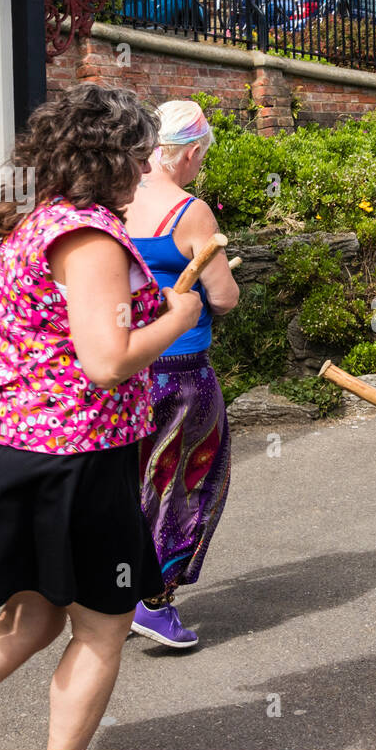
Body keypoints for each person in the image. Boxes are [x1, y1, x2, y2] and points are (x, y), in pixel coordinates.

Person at [0, 85, 203, 750]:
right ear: (110, 159)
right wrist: (177, 317)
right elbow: (107, 361)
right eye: (140, 156)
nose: (148, 169)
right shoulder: (89, 237)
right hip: (74, 459)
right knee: (103, 629)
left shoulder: (41, 219)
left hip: (9, 448)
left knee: (26, 620)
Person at [125, 100, 239, 648]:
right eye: (201, 157)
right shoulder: (190, 212)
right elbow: (223, 296)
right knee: (185, 483)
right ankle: (155, 600)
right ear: (190, 152)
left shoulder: (114, 197)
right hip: (181, 371)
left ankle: (117, 594)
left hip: (123, 364)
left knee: (129, 481)